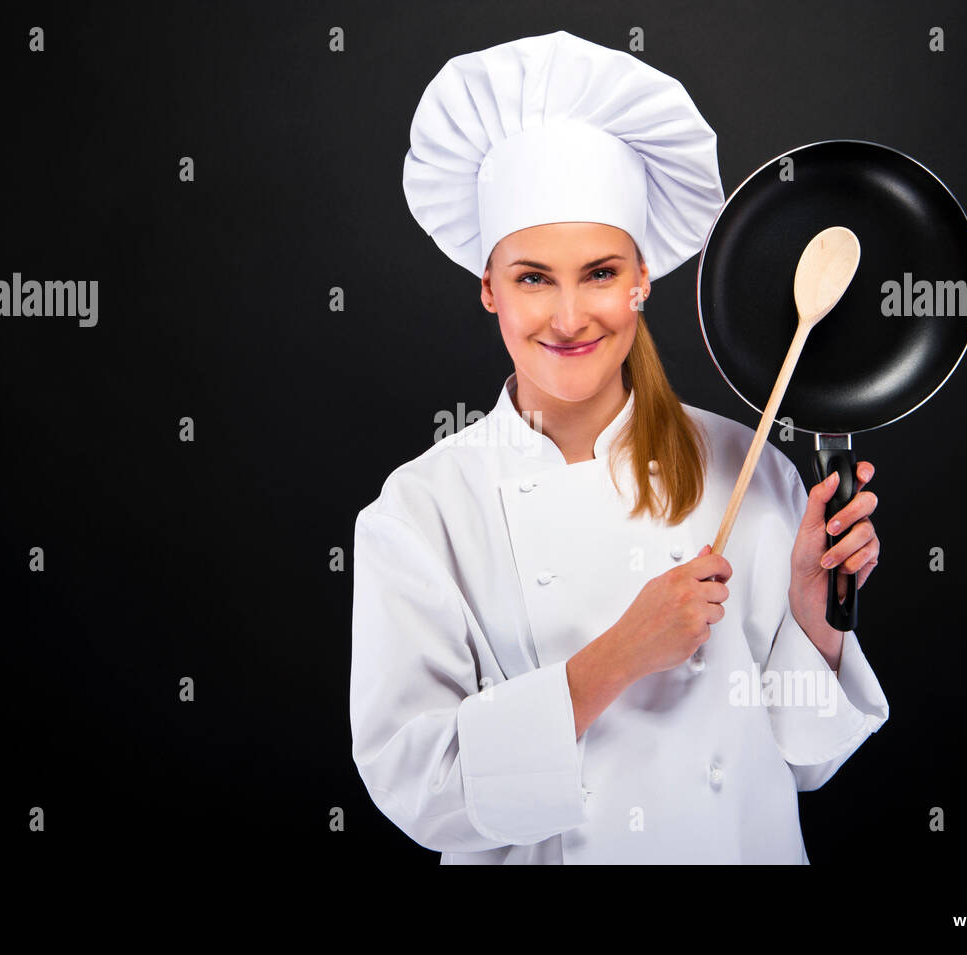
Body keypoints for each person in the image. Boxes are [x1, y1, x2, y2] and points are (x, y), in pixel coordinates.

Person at [349, 29, 888, 864]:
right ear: (488, 287)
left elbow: (807, 760)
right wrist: (616, 658)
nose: (569, 318)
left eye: (600, 273)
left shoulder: (748, 468)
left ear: (642, 278)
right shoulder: (419, 514)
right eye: (533, 277)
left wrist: (816, 624)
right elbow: (420, 789)